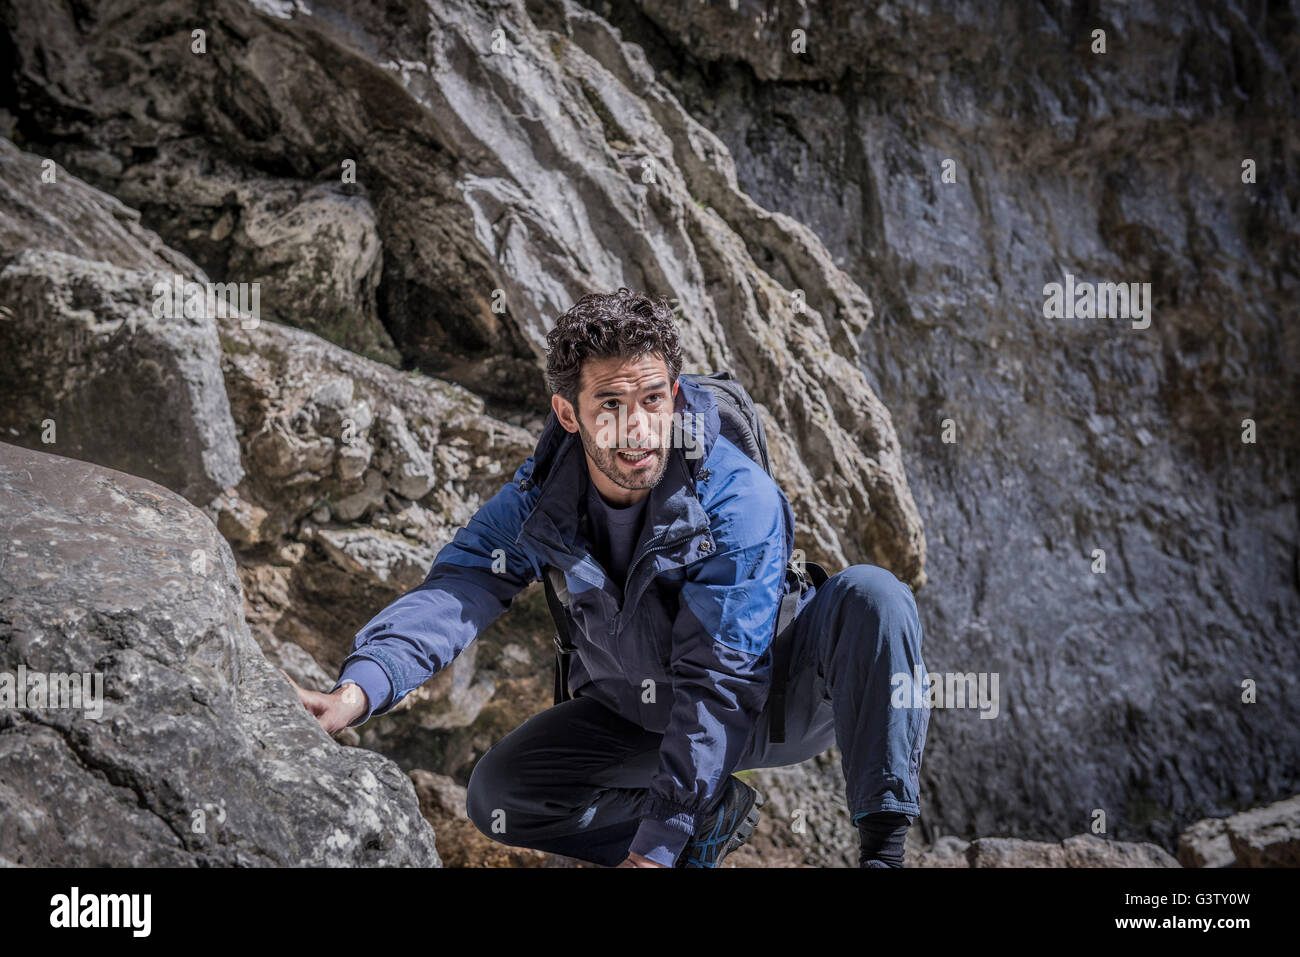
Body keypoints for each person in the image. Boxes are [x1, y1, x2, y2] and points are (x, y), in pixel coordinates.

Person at [292, 288, 929, 868]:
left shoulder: (739, 500)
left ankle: (884, 850)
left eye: (653, 399)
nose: (637, 428)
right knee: (501, 796)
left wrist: (653, 851)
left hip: (777, 698)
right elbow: (463, 586)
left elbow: (720, 684)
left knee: (875, 596)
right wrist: (358, 691)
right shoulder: (543, 495)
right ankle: (709, 822)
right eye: (610, 403)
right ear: (568, 414)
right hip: (641, 711)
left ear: (675, 397)